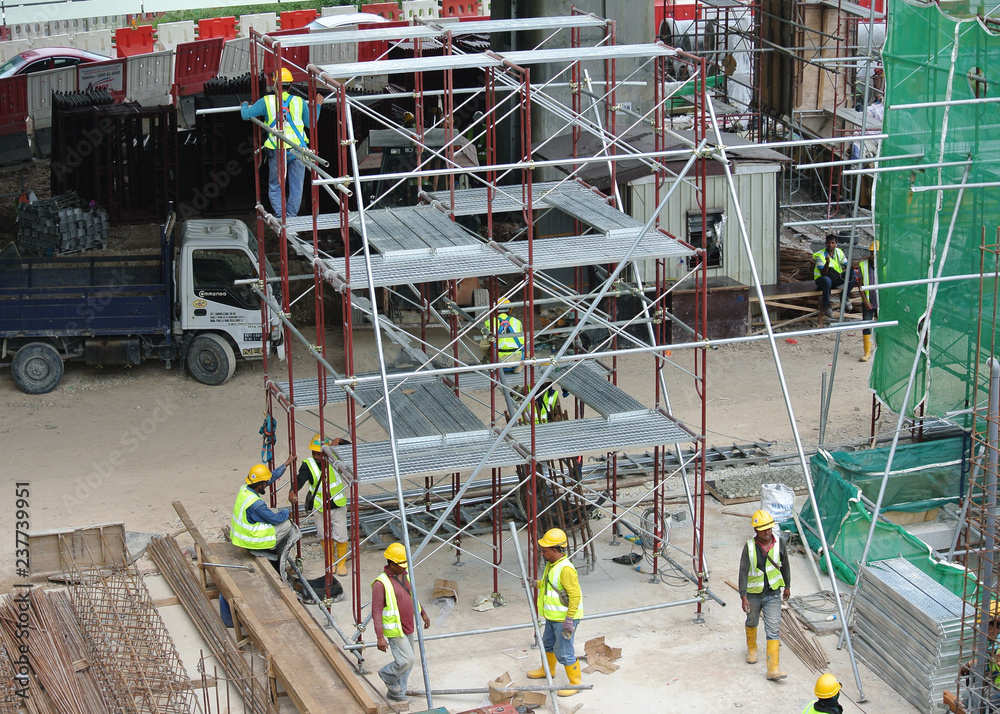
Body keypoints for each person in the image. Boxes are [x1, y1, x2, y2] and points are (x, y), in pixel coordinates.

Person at [240, 67, 320, 219]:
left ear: (275, 85)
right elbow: (312, 123)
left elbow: (246, 115)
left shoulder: (267, 101)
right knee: (297, 187)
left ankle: (280, 216)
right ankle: (291, 216)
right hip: (299, 149)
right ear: (290, 86)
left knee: (276, 185)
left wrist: (244, 104)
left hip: (277, 149)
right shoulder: (299, 101)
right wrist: (318, 105)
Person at [526, 528, 584, 697]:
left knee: (564, 651)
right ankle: (548, 670)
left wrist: (569, 619)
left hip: (564, 619)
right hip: (553, 617)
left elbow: (575, 596)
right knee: (548, 645)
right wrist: (534, 583)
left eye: (544, 551)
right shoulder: (553, 565)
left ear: (554, 550)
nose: (542, 554)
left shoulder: (566, 569)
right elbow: (548, 585)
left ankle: (576, 683)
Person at [372, 543, 431, 703]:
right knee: (406, 660)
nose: (405, 568)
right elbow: (376, 612)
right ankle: (386, 675)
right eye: (401, 565)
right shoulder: (380, 584)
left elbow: (412, 597)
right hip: (394, 630)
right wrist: (380, 637)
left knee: (408, 664)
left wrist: (422, 612)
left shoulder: (405, 575)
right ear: (391, 564)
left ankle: (397, 693)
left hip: (408, 625)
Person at [289, 433, 352, 576]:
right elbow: (300, 479)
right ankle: (330, 561)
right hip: (320, 506)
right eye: (314, 453)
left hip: (337, 504)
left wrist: (341, 441)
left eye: (320, 453)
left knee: (341, 535)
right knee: (324, 535)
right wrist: (293, 490)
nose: (317, 456)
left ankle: (341, 562)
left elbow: (353, 450)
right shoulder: (308, 464)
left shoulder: (335, 458)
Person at [739, 509, 791, 680]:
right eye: (763, 529)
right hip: (754, 594)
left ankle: (773, 668)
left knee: (773, 629)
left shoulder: (780, 544)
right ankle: (752, 649)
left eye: (769, 528)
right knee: (752, 621)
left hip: (773, 593)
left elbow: (785, 567)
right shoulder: (749, 547)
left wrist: (787, 586)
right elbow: (743, 571)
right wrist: (743, 595)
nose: (768, 532)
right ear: (756, 530)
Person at [230, 458, 299, 573]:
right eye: (265, 483)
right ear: (260, 485)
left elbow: (269, 477)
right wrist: (286, 512)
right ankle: (268, 547)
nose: (267, 484)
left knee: (272, 511)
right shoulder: (257, 505)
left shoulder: (245, 488)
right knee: (286, 524)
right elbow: (276, 519)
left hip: (240, 536)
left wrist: (286, 464)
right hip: (250, 540)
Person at [813, 234, 855, 320]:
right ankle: (826, 305)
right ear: (825, 244)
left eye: (832, 243)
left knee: (853, 273)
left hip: (835, 279)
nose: (830, 245)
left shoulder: (838, 252)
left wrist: (852, 266)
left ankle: (845, 298)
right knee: (826, 280)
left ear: (836, 244)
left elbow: (846, 265)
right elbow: (823, 273)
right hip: (822, 280)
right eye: (828, 243)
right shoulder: (820, 255)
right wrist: (827, 262)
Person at [481, 297, 523, 372]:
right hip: (517, 360)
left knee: (486, 346)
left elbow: (483, 346)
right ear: (510, 309)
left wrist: (487, 355)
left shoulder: (489, 323)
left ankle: (491, 365)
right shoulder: (517, 322)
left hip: (499, 360)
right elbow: (523, 343)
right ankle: (517, 369)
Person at [857, 250, 878, 362]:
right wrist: (865, 301)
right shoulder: (863, 265)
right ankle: (867, 352)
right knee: (867, 325)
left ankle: (879, 349)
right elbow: (860, 286)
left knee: (881, 325)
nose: (874, 255)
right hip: (868, 301)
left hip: (880, 301)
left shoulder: (884, 265)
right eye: (873, 253)